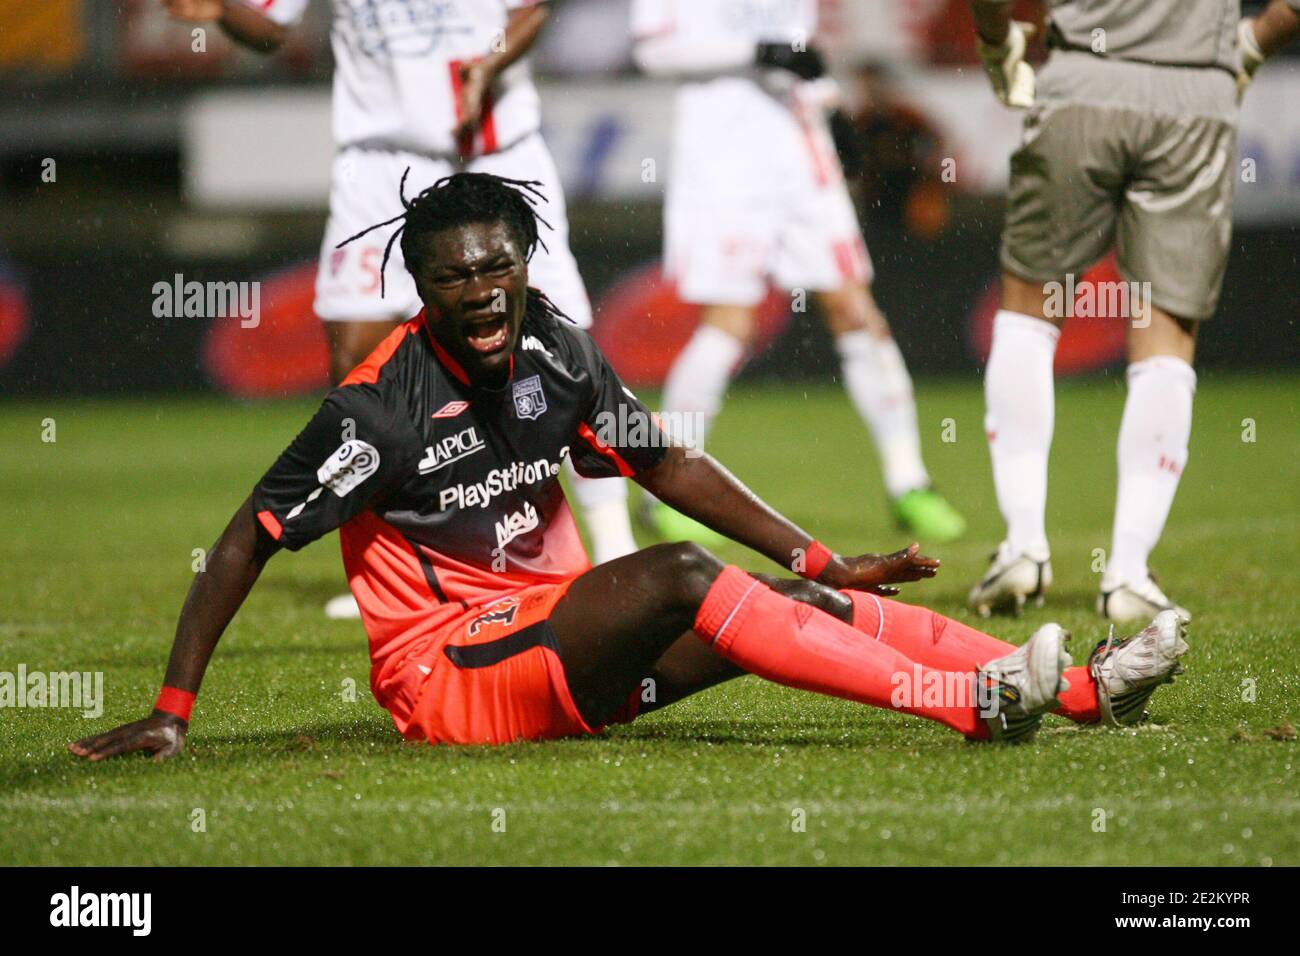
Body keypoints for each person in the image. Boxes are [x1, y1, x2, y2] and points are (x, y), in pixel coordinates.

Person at [68, 174, 1188, 762]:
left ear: (522, 263)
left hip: (556, 633)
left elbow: (661, 461)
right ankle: (973, 705)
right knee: (674, 575)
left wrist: (811, 550)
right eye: (459, 278)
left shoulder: (553, 342)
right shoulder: (376, 411)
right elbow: (242, 539)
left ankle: (1084, 689)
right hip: (448, 679)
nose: (485, 291)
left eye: (500, 265)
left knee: (801, 599)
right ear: (425, 289)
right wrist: (174, 705)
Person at [159, 0, 639, 589]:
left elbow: (532, 11)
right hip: (378, 162)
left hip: (493, 154)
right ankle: (392, 569)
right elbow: (269, 31)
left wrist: (487, 65)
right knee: (354, 361)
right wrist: (220, 13)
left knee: (559, 348)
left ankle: (614, 541)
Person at [967, 0, 1300, 622]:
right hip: (1195, 91)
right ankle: (1127, 572)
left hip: (1083, 79)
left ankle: (1022, 544)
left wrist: (997, 44)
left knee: (1029, 314)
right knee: (1167, 331)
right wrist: (1251, 44)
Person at [629, 0, 967, 546]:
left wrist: (830, 106)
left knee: (856, 311)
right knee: (729, 322)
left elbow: (798, 50)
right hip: (724, 165)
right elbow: (651, 51)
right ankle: (665, 488)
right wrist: (755, 51)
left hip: (801, 159)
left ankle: (910, 482)